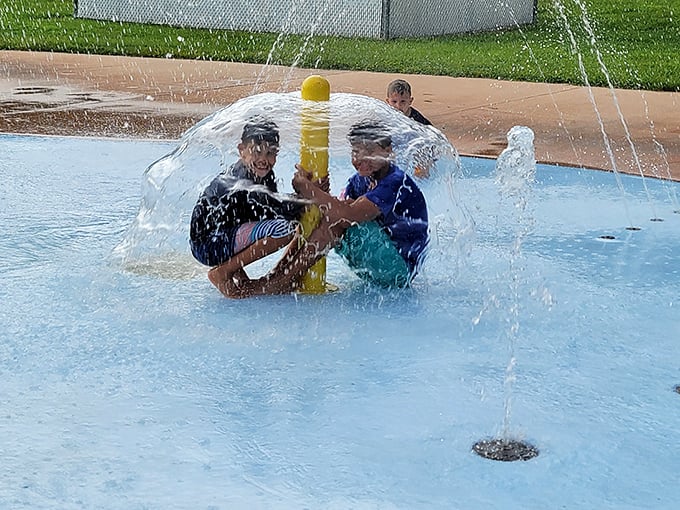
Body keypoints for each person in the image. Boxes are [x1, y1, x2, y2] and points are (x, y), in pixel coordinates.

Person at [226, 120, 429, 298]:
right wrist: (317, 192)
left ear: (388, 151)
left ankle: (282, 280)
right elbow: (332, 207)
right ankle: (278, 276)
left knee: (339, 219)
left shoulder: (394, 182)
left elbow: (344, 215)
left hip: (399, 269)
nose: (361, 158)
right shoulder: (361, 180)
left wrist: (306, 188)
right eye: (356, 151)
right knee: (317, 215)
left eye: (370, 151)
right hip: (381, 259)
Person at [189, 117, 323, 297]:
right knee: (284, 229)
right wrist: (309, 192)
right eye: (257, 152)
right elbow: (281, 211)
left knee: (278, 221)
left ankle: (238, 272)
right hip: (208, 244)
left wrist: (303, 195)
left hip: (216, 237)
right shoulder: (243, 181)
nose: (263, 159)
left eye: (270, 153)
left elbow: (270, 208)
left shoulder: (258, 175)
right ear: (241, 150)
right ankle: (223, 273)